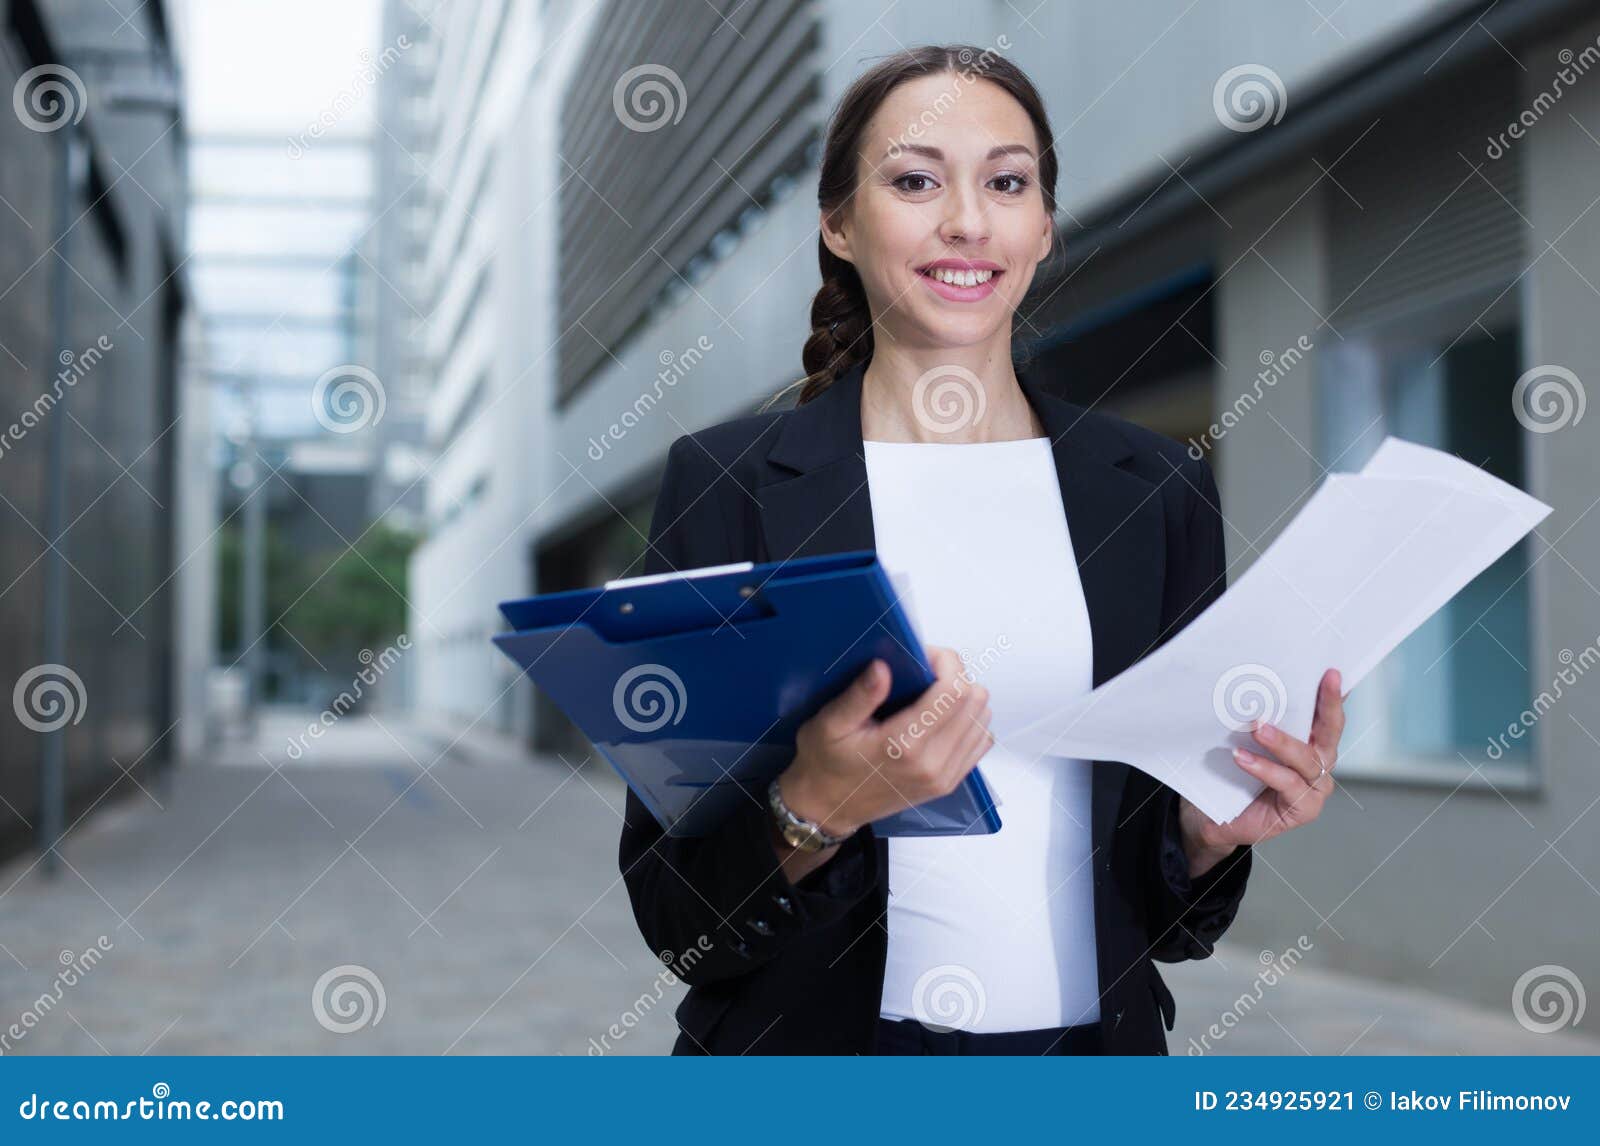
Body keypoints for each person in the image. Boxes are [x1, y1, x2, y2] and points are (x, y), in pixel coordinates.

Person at [618, 43, 1344, 1055]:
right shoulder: (731, 488)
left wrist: (1207, 836)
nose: (967, 220)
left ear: (1042, 225)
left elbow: (1170, 923)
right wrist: (817, 803)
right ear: (837, 223)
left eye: (1007, 182)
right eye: (915, 181)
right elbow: (678, 918)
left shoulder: (1151, 490)